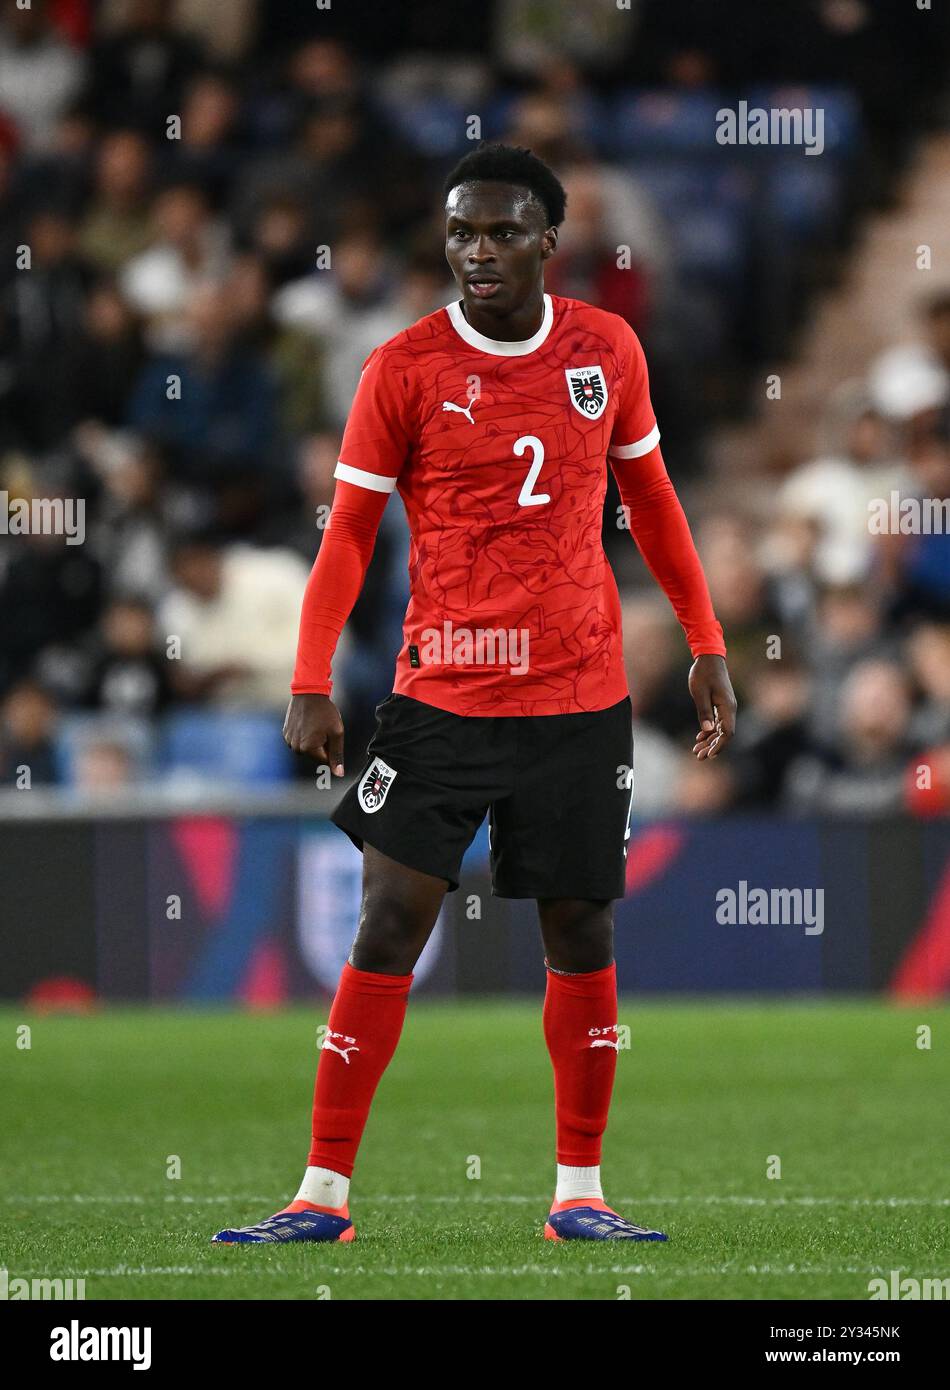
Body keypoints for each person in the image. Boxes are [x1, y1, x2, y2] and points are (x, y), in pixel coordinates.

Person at [213, 142, 736, 1247]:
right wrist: (310, 674)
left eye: (501, 231)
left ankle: (578, 1191)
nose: (477, 250)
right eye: (459, 232)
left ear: (550, 241)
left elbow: (650, 496)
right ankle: (320, 1195)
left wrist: (704, 638)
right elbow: (349, 529)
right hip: (440, 692)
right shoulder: (400, 367)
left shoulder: (606, 349)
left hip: (578, 692)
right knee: (389, 919)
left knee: (579, 925)